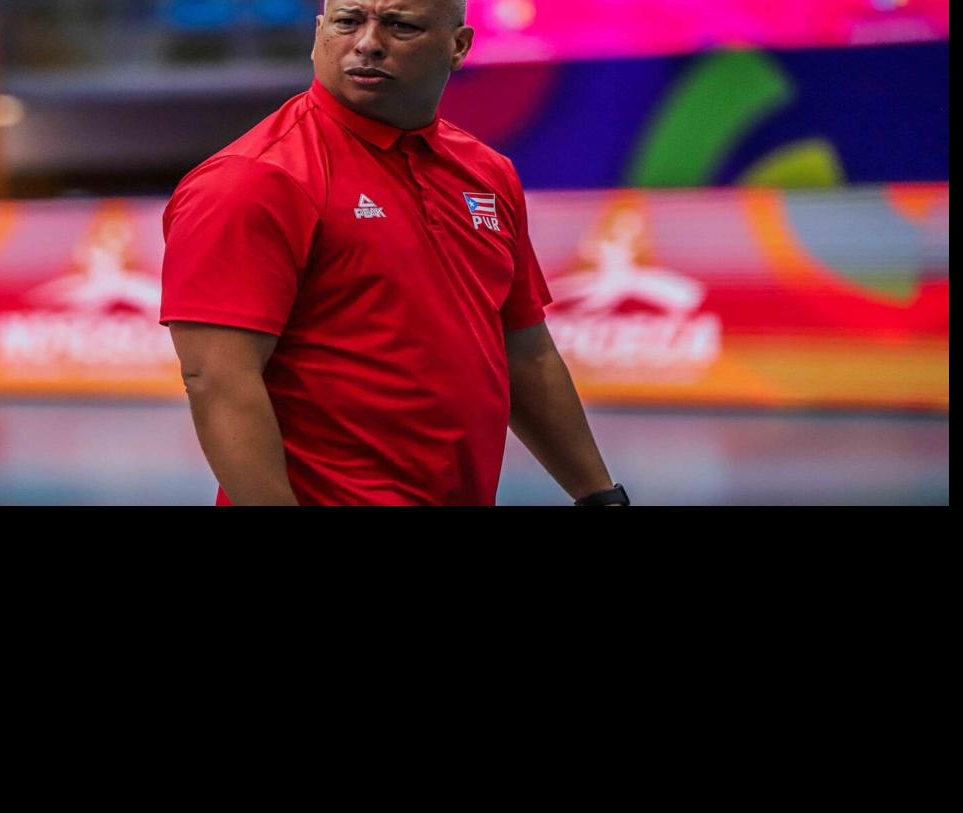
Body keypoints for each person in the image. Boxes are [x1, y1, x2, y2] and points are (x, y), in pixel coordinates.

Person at [159, 0, 626, 505]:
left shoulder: (487, 174)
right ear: (319, 34)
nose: (367, 43)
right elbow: (217, 380)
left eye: (400, 25)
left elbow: (525, 352)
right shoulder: (254, 180)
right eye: (348, 21)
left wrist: (599, 495)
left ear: (459, 46)